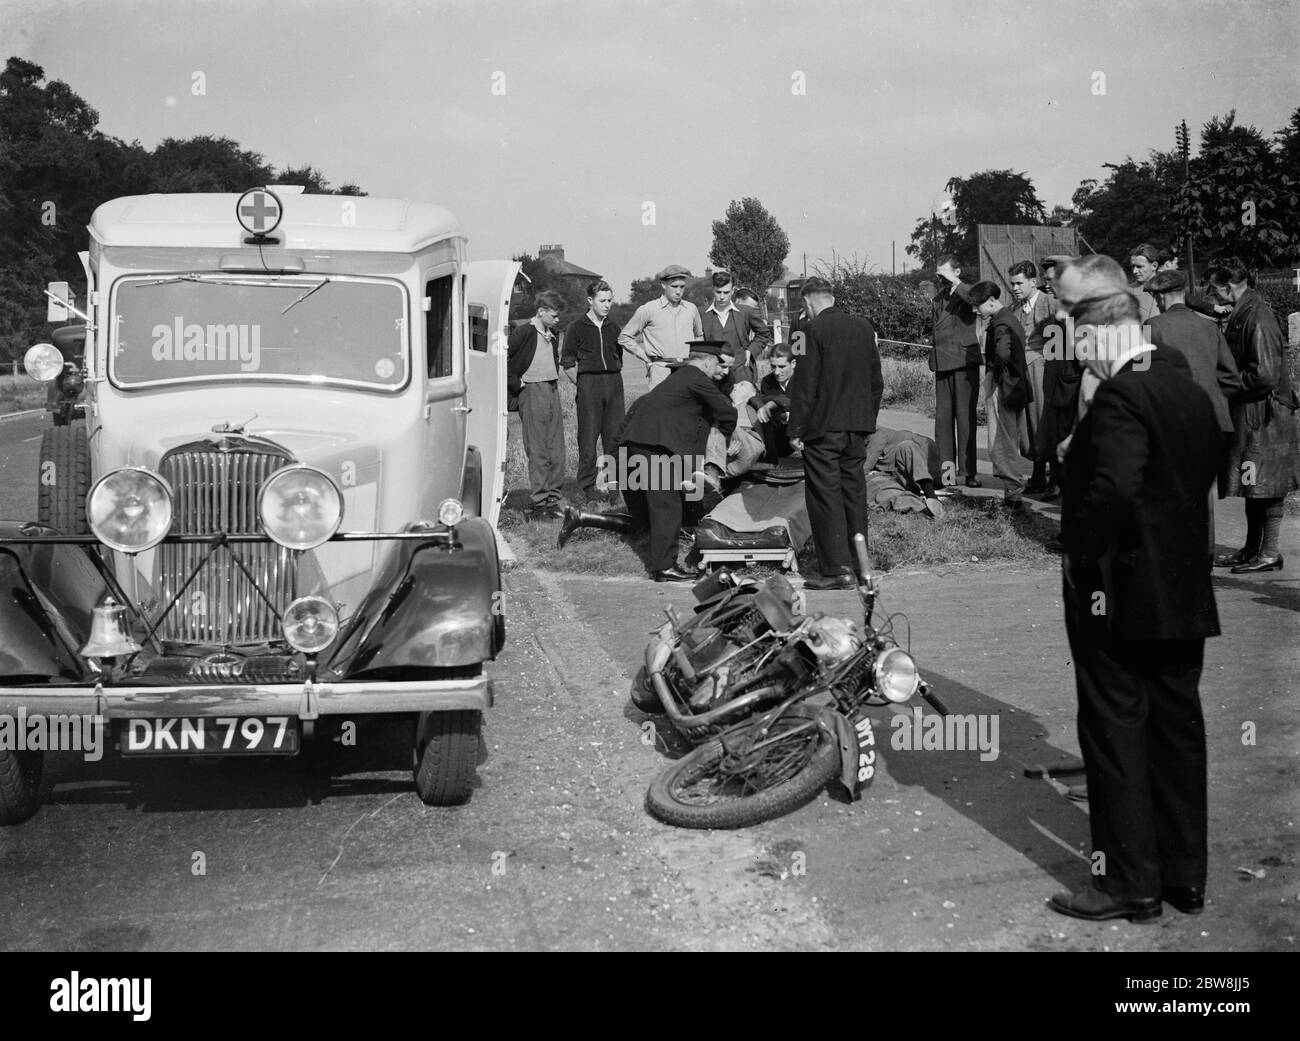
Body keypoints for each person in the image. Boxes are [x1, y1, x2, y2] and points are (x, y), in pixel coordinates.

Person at [1049, 262, 1222, 923]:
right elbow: (1200, 470)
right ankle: (1185, 877)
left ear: (1096, 334)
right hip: (1183, 589)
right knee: (1178, 731)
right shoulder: (1186, 389)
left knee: (1115, 731)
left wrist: (1080, 556)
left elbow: (1114, 489)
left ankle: (1127, 882)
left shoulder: (1122, 398)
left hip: (1118, 595)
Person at [787, 277, 883, 590]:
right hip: (856, 428)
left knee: (824, 496)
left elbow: (804, 385)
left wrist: (796, 428)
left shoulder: (807, 331)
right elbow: (875, 382)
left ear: (808, 302)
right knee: (854, 494)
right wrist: (867, 421)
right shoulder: (863, 328)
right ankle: (860, 565)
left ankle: (836, 570)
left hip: (823, 430)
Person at [614, 340, 737, 581]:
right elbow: (727, 410)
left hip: (641, 443)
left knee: (659, 505)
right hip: (654, 445)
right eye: (717, 365)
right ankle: (664, 567)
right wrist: (726, 435)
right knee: (667, 506)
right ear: (709, 361)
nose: (717, 371)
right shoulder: (697, 377)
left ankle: (660, 559)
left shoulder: (679, 377)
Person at [1208, 261, 1300, 573]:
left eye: (1214, 288)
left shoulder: (1257, 318)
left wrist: (1228, 388)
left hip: (1266, 415)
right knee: (1256, 484)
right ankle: (1252, 550)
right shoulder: (1246, 312)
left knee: (1269, 485)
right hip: (1257, 413)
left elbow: (1264, 375)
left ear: (1229, 287)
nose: (1211, 293)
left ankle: (1269, 553)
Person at [561, 279, 625, 503]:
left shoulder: (613, 327)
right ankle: (589, 489)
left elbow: (619, 357)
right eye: (602, 301)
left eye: (610, 300)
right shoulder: (576, 328)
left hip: (614, 384)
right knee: (588, 439)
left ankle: (615, 489)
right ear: (590, 301)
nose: (607, 305)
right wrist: (583, 385)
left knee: (615, 438)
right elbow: (567, 363)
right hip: (589, 385)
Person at [970, 281, 1032, 509]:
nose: (976, 310)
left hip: (1003, 388)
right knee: (1010, 441)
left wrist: (995, 376)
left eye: (978, 306)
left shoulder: (1001, 324)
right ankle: (1012, 494)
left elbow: (1003, 354)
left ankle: (1014, 498)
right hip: (1015, 386)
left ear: (991, 301)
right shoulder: (1009, 317)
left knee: (1002, 442)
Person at [507, 290, 567, 519]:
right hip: (532, 390)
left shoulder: (552, 334)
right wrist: (517, 383)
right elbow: (504, 358)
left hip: (551, 389)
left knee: (556, 449)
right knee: (539, 449)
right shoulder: (524, 332)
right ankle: (540, 503)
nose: (557, 319)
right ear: (541, 312)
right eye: (554, 315)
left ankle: (553, 500)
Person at [930, 256, 982, 490]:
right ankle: (946, 473)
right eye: (938, 274)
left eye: (944, 273)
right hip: (942, 362)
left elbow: (975, 299)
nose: (940, 278)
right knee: (942, 420)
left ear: (957, 272)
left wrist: (955, 282)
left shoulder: (968, 291)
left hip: (963, 362)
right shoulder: (939, 297)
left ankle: (969, 472)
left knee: (965, 419)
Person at [1036, 255, 1082, 506]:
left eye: (1051, 280)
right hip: (1056, 382)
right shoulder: (1060, 303)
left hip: (1072, 387)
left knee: (1067, 442)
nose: (1047, 285)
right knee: (1051, 438)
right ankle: (1058, 483)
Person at [1007, 261, 1055, 494]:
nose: (1015, 288)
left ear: (1033, 282)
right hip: (1023, 372)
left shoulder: (1050, 304)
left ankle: (1054, 479)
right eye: (1012, 283)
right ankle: (1037, 476)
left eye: (1019, 283)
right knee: (1028, 425)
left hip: (1043, 370)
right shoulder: (1016, 308)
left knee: (1044, 421)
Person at [618, 265, 703, 389]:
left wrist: (695, 360)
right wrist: (646, 358)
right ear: (664, 285)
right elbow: (624, 337)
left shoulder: (691, 309)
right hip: (660, 370)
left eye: (682, 287)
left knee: (688, 407)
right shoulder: (648, 309)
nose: (678, 291)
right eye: (674, 286)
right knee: (660, 407)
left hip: (686, 369)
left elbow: (699, 335)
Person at [700, 271, 771, 385]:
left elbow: (764, 333)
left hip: (741, 373)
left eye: (726, 292)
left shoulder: (745, 312)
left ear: (732, 291)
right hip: (713, 374)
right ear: (713, 290)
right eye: (718, 292)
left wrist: (750, 351)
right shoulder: (701, 314)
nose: (722, 297)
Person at [863, 427, 945, 519]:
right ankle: (924, 509)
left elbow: (866, 467)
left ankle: (931, 496)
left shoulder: (877, 436)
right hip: (884, 483)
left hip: (916, 470)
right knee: (890, 495)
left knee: (907, 446)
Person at [752, 342, 797, 460]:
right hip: (779, 438)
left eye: (782, 367)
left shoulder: (805, 381)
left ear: (793, 364)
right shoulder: (767, 382)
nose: (777, 372)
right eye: (773, 366)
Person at [1127, 242, 1162, 323]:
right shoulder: (1126, 293)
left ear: (1154, 266)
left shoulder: (1170, 290)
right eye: (1133, 266)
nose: (1134, 271)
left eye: (1139, 266)